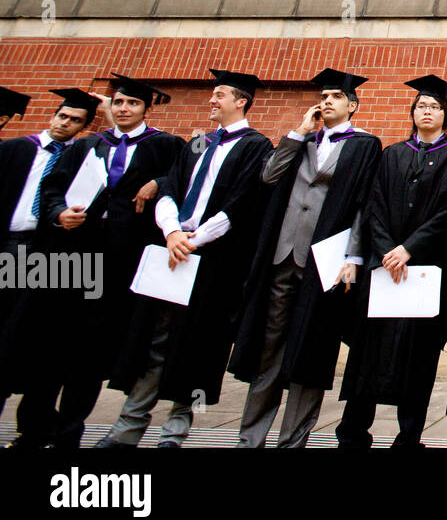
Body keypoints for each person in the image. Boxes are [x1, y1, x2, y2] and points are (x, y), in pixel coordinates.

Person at [95, 70, 273, 449]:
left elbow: (242, 202)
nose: (212, 100)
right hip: (171, 251)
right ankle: (127, 428)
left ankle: (174, 432)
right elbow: (171, 185)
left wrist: (196, 239)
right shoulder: (197, 143)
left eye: (220, 94)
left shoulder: (256, 145)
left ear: (241, 101)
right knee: (151, 339)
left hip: (212, 259)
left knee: (196, 343)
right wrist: (172, 231)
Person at [13, 76, 181, 450]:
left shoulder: (165, 145)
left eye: (132, 104)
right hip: (72, 257)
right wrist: (58, 214)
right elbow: (52, 187)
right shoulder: (88, 145)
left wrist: (158, 181)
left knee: (89, 356)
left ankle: (69, 434)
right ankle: (34, 430)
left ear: (144, 109)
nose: (124, 109)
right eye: (118, 103)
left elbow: (183, 179)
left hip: (120, 262)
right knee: (49, 346)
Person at [229, 68, 382, 448]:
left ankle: (293, 440)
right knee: (269, 349)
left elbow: (365, 206)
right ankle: (250, 439)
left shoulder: (365, 146)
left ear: (353, 104)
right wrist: (298, 133)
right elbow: (268, 177)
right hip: (283, 257)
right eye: (324, 96)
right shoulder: (302, 142)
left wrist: (354, 256)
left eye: (335, 97)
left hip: (324, 264)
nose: (327, 101)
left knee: (311, 350)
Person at [336, 74, 447, 448]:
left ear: (445, 114)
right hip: (385, 270)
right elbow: (373, 205)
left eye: (434, 107)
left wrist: (410, 248)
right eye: (421, 106)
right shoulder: (392, 153)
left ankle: (408, 437)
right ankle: (353, 431)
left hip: (426, 271)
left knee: (418, 356)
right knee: (367, 353)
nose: (426, 111)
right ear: (413, 112)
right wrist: (385, 249)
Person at [0, 88, 98, 432]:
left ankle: (32, 426)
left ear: (84, 126)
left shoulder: (83, 157)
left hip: (48, 256)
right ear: (53, 115)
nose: (65, 123)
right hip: (9, 246)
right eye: (62, 116)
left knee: (38, 340)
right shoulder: (14, 149)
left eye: (75, 120)